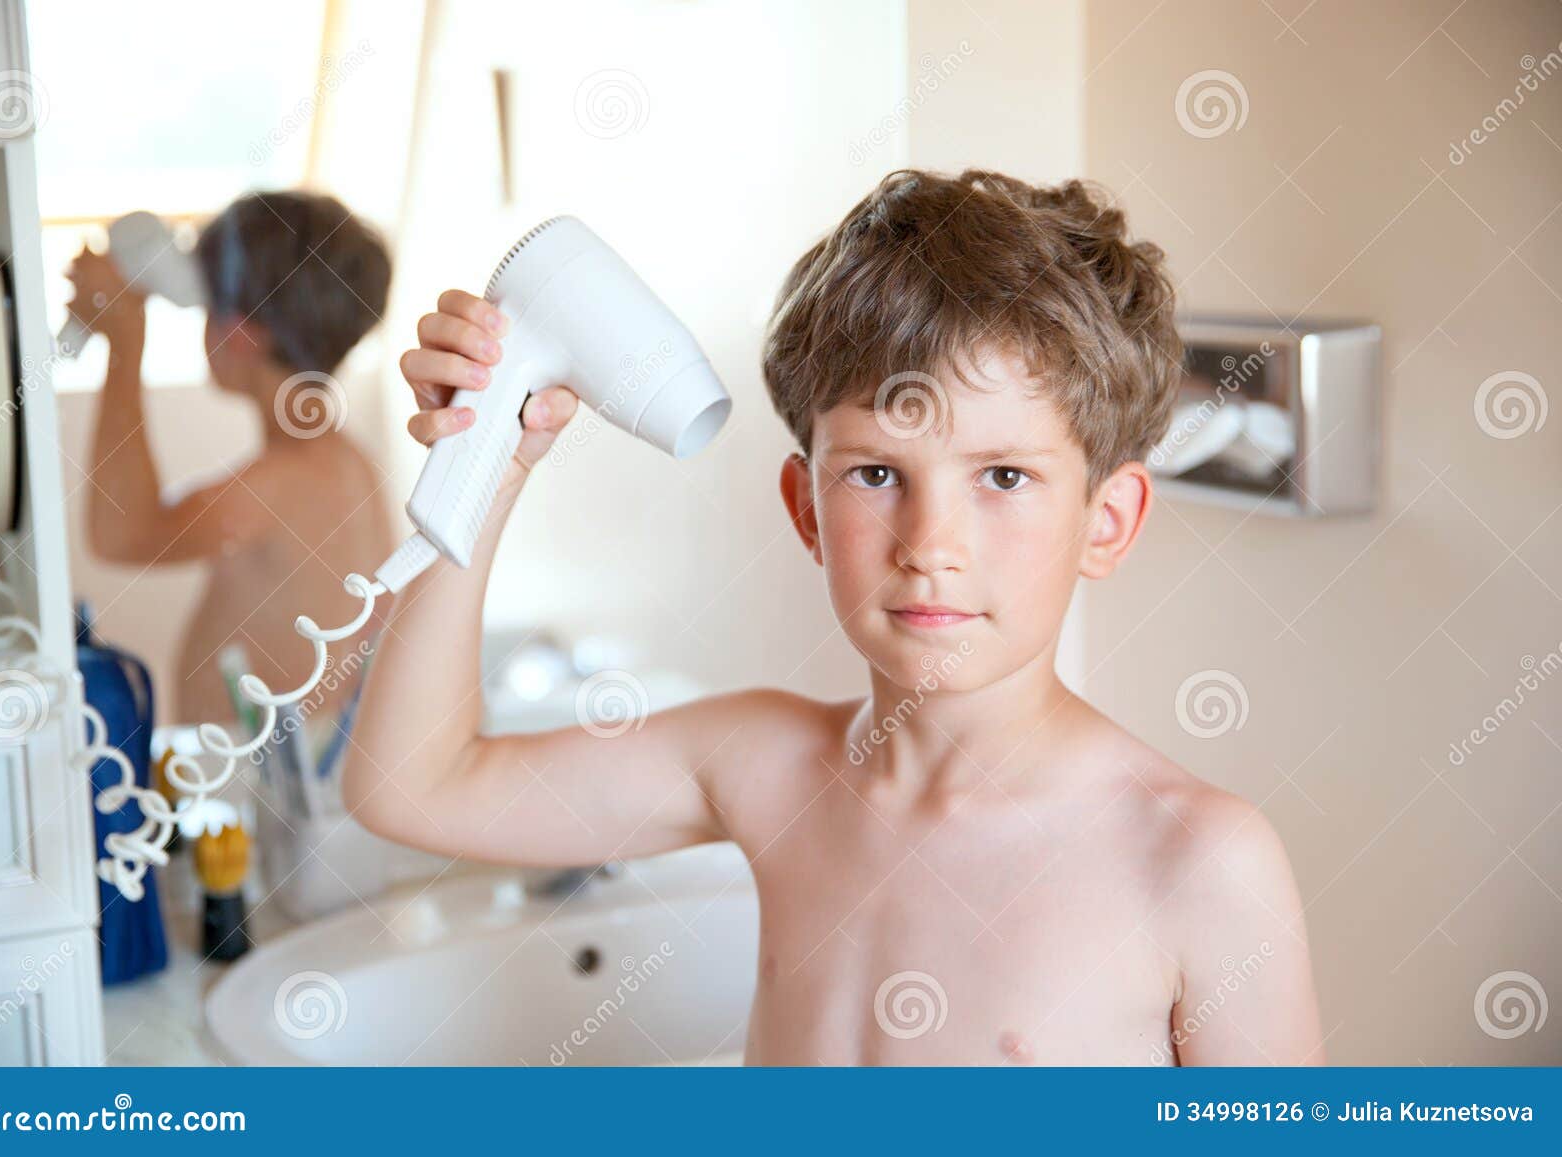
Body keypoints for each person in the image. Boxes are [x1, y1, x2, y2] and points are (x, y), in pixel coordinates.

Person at [346, 170, 1325, 1065]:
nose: (929, 541)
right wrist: (487, 463)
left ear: (1104, 523)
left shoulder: (1195, 861)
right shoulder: (766, 765)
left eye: (1003, 475)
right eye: (874, 472)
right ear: (809, 509)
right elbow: (412, 787)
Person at [70, 190, 396, 728]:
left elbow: (120, 534)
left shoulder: (279, 482)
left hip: (258, 790)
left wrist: (125, 340)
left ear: (240, 333)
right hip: (281, 780)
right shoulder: (346, 459)